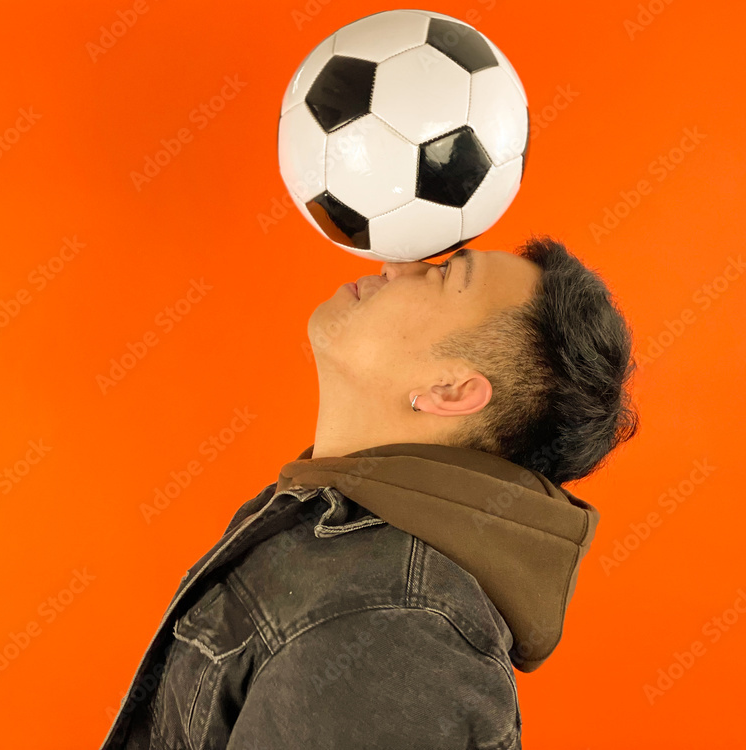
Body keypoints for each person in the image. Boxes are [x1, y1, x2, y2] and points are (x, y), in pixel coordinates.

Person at [99, 234, 639, 749]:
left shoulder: (396, 631)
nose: (398, 264)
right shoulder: (353, 554)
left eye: (443, 274)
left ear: (450, 391)